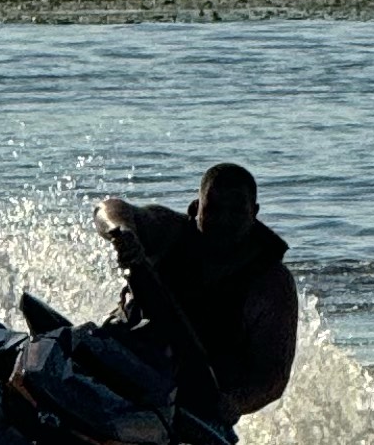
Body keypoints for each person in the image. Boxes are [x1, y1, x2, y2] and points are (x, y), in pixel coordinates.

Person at [92, 161, 299, 429]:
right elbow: (108, 209)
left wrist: (233, 403)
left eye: (236, 211)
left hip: (194, 407)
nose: (224, 221)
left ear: (254, 213)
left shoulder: (271, 284)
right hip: (125, 360)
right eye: (213, 209)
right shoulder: (167, 230)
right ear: (197, 206)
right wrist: (121, 233)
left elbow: (272, 378)